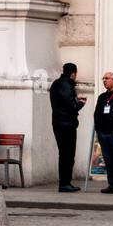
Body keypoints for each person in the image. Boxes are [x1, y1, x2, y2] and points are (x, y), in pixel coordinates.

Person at [49, 63, 86, 193]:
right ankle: (65, 183)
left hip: (58, 122)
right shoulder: (67, 85)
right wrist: (80, 103)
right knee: (68, 155)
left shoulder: (56, 84)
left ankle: (65, 182)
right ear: (73, 73)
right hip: (67, 124)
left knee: (64, 154)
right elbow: (71, 106)